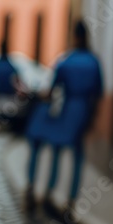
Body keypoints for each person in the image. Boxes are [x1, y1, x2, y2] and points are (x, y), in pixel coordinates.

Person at [24, 20, 104, 208]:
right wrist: (92, 118)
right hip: (83, 110)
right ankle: (71, 199)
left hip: (67, 108)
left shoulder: (66, 60)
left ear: (75, 37)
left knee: (56, 148)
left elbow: (52, 90)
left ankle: (45, 190)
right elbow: (98, 93)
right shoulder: (94, 62)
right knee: (78, 154)